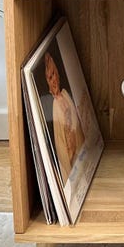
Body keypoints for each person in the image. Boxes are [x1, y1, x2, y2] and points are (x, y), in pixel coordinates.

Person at [44, 50, 85, 179]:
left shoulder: (66, 94)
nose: (53, 80)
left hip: (79, 149)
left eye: (54, 74)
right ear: (47, 82)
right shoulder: (53, 105)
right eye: (50, 77)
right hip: (69, 156)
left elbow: (76, 121)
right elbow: (59, 142)